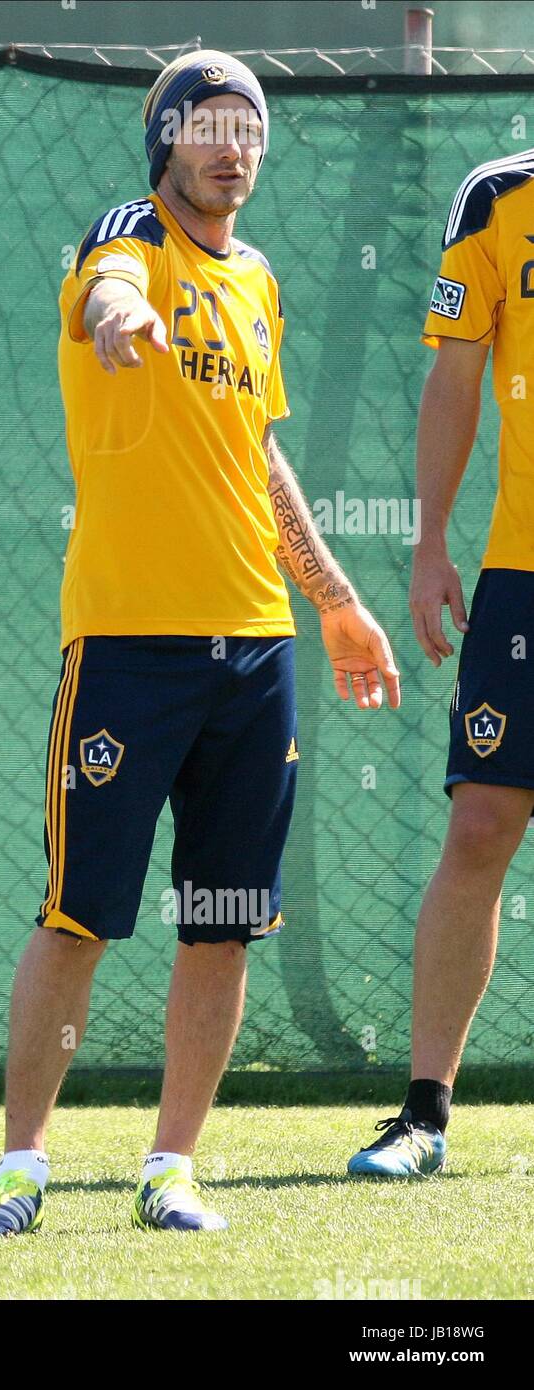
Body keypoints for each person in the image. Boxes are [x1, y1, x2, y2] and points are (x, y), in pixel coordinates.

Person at [0, 51, 400, 1238]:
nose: (231, 145)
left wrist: (336, 600)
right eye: (205, 124)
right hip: (124, 651)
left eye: (247, 127)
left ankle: (169, 1168)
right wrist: (118, 315)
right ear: (163, 141)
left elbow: (256, 458)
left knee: (220, 917)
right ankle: (19, 1169)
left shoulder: (256, 280)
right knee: (79, 918)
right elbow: (103, 290)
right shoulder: (128, 237)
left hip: (253, 653)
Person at [348, 149, 534, 1177]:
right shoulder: (494, 196)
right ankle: (422, 1114)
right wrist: (427, 545)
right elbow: (455, 373)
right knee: (476, 824)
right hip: (520, 574)